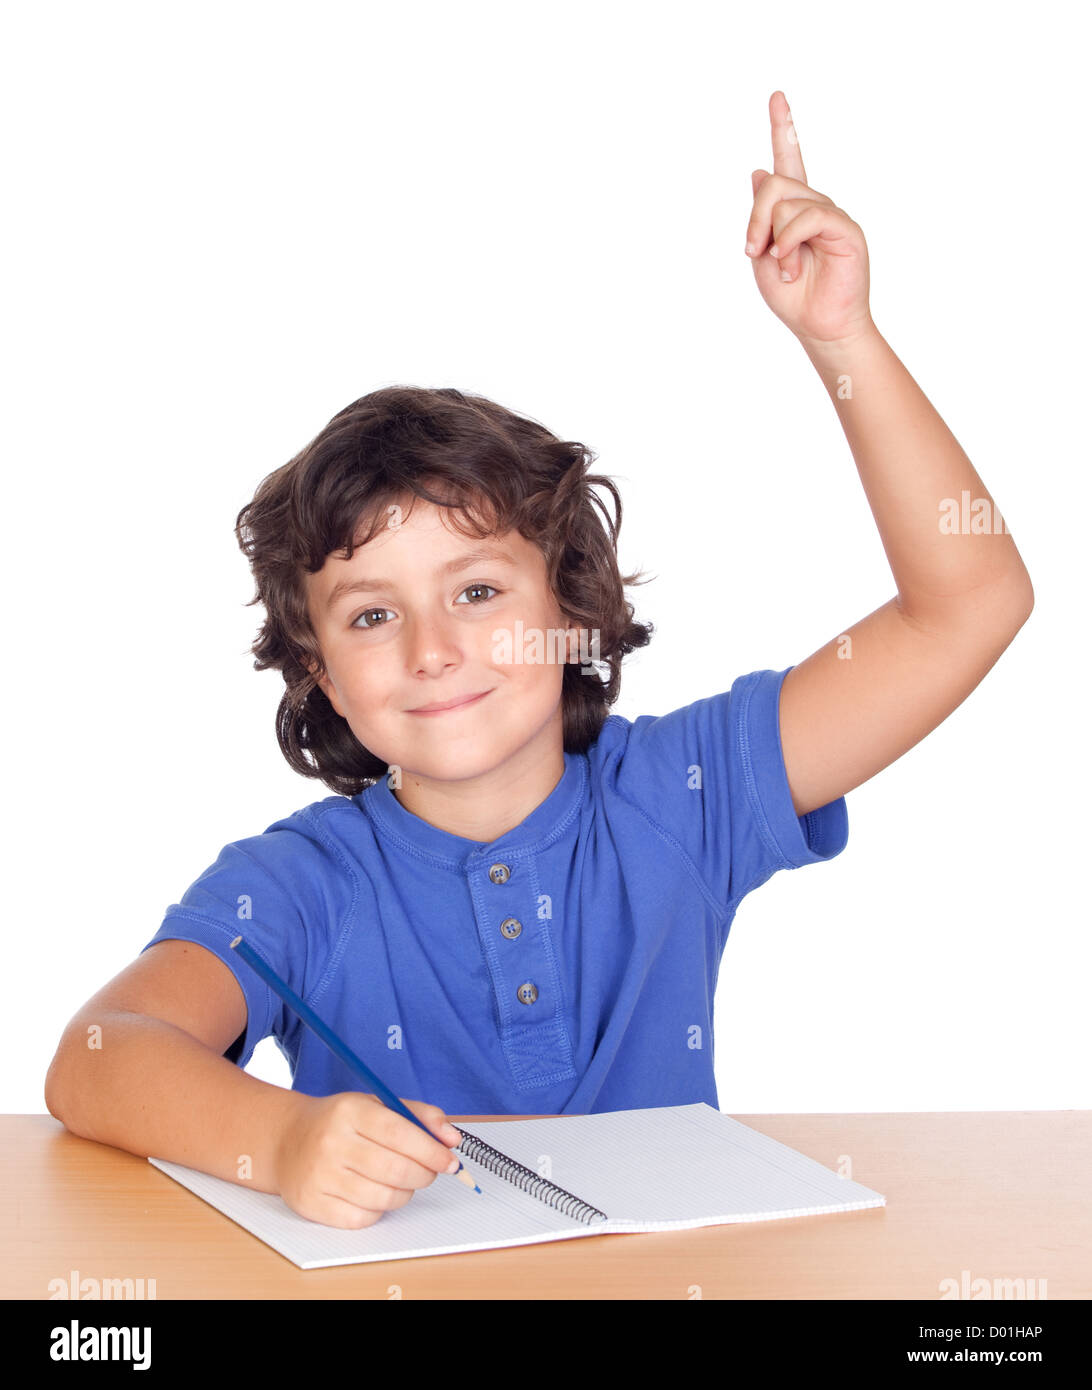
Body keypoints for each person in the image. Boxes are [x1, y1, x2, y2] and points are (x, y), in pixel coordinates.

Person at [44, 92, 1033, 1230]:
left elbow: (972, 604)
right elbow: (96, 1056)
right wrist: (279, 1137)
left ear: (570, 605)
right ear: (316, 670)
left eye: (476, 591)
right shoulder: (302, 885)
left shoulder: (686, 792)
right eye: (371, 617)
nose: (433, 650)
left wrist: (843, 340)